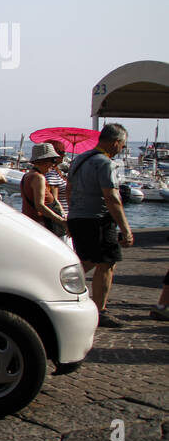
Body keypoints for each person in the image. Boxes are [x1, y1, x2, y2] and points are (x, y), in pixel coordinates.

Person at [67, 123, 134, 328]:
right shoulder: (105, 163)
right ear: (116, 142)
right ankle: (99, 310)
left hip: (78, 217)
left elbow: (69, 189)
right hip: (97, 219)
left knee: (86, 260)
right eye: (122, 145)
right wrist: (125, 229)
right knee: (106, 263)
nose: (121, 149)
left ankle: (58, 286)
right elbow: (112, 197)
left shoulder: (79, 159)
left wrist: (73, 212)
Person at [20, 143, 67, 238]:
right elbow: (40, 206)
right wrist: (61, 220)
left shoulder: (27, 175)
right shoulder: (39, 178)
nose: (54, 164)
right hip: (41, 224)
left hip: (31, 223)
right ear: (44, 161)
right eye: (53, 160)